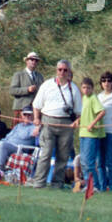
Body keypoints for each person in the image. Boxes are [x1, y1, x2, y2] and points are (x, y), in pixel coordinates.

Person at [29, 60, 82, 190]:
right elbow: (36, 105)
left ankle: (57, 184)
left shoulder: (74, 89)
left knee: (63, 156)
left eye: (65, 70)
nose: (62, 72)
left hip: (66, 125)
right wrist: (36, 118)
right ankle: (39, 183)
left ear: (69, 72)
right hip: (48, 122)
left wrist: (76, 122)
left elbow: (79, 112)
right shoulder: (47, 85)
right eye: (60, 70)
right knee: (45, 153)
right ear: (56, 70)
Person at [0, 106, 38, 176]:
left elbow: (27, 136)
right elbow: (8, 136)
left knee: (2, 145)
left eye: (29, 114)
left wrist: (38, 127)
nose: (27, 116)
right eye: (25, 114)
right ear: (22, 115)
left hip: (19, 148)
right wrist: (0, 142)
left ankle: (0, 170)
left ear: (33, 115)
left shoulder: (34, 127)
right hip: (7, 144)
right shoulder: (18, 126)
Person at [75, 77, 105, 192]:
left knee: (89, 162)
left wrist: (92, 123)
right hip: (83, 133)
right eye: (84, 87)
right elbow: (83, 114)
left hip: (91, 135)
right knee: (83, 161)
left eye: (88, 87)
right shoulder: (84, 99)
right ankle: (89, 184)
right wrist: (77, 121)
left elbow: (102, 112)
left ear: (92, 88)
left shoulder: (93, 98)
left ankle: (95, 186)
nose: (86, 90)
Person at [9, 52, 44, 119]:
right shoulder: (18, 74)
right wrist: (27, 89)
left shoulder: (40, 76)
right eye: (32, 59)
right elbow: (12, 90)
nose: (34, 61)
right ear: (27, 61)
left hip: (35, 110)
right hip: (21, 109)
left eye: (36, 60)